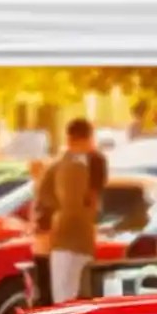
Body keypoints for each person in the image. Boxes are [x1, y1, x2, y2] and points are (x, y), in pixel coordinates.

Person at [48, 119, 106, 303]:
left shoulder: (69, 164)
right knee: (68, 295)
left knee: (68, 293)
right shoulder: (72, 166)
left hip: (73, 239)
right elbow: (73, 205)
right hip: (71, 238)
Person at [29, 158, 55, 307]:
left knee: (45, 287)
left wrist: (35, 226)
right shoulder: (39, 189)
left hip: (44, 246)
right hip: (42, 246)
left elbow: (41, 219)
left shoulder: (44, 192)